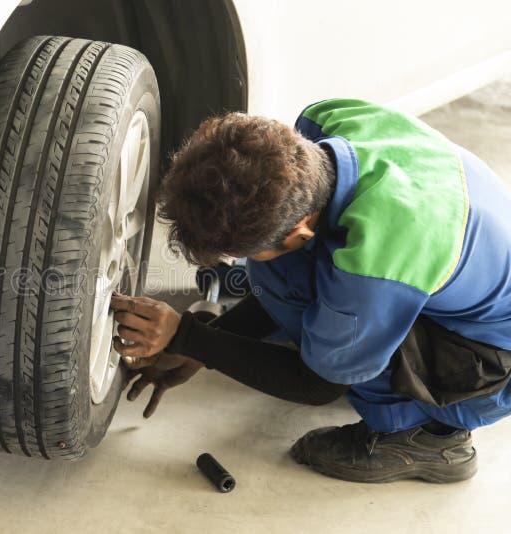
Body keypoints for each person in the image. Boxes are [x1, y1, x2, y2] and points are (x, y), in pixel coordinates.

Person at [109, 99, 511, 483]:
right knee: (279, 268)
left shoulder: (375, 262)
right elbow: (286, 283)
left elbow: (316, 384)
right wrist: (205, 346)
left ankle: (425, 438)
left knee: (287, 279)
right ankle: (355, 350)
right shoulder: (324, 121)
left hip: (488, 367)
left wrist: (190, 337)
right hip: (453, 277)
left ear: (301, 230)